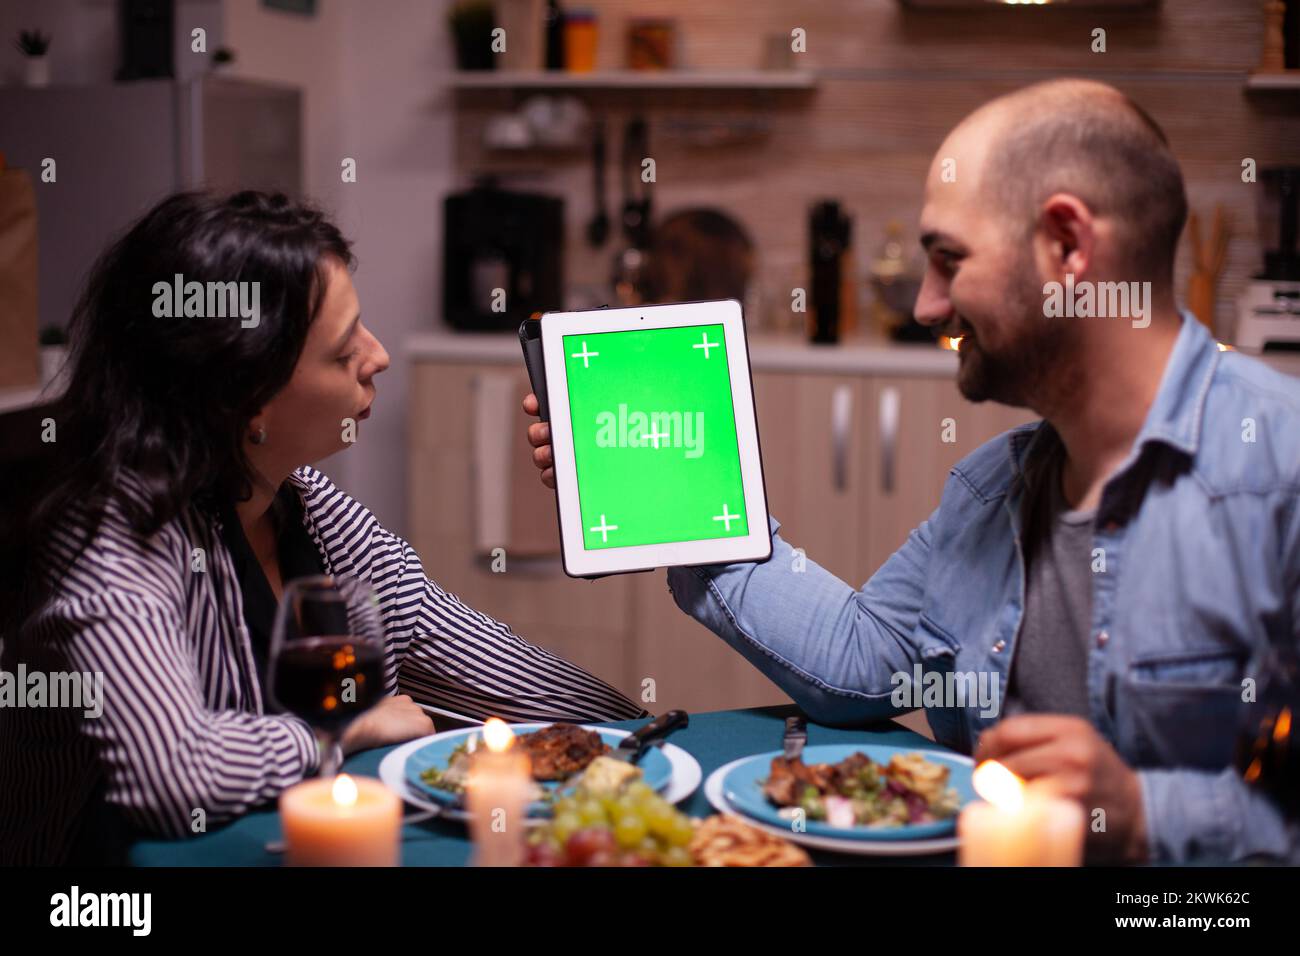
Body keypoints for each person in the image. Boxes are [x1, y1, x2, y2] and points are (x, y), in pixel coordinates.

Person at [524, 79, 1300, 863]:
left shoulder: (1282, 475)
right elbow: (863, 665)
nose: (927, 307)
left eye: (948, 261)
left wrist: (1141, 814)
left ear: (1068, 247)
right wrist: (678, 493)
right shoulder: (993, 489)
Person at [0, 190, 646, 865]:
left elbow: (500, 670)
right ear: (243, 396)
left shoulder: (309, 505)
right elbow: (174, 774)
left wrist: (639, 731)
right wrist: (342, 730)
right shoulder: (109, 536)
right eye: (342, 354)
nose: (379, 357)